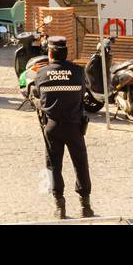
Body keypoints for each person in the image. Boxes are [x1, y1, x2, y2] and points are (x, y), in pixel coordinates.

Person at [33, 35, 94, 219]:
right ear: (66, 52)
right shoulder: (77, 72)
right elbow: (83, 94)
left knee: (53, 166)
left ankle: (59, 206)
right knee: (81, 164)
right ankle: (86, 206)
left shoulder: (41, 74)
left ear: (50, 53)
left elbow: (39, 97)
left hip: (52, 127)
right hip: (75, 127)